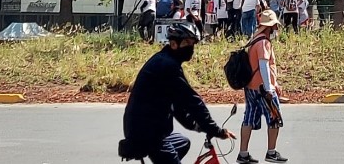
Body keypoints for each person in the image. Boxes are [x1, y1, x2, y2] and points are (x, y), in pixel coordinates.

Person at [122, 22, 236, 163]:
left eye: (193, 43)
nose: (191, 47)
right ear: (173, 44)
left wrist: (196, 126)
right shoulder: (167, 66)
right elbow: (192, 101)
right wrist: (215, 130)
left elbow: (178, 105)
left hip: (148, 128)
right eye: (187, 42)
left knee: (182, 142)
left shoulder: (166, 60)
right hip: (147, 133)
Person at [239, 10, 288, 164]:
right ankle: (271, 152)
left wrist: (274, 83)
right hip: (262, 89)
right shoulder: (264, 42)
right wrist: (269, 88)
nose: (276, 28)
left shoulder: (255, 39)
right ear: (270, 26)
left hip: (251, 87)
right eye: (274, 26)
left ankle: (243, 153)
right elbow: (263, 65)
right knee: (274, 118)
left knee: (248, 118)